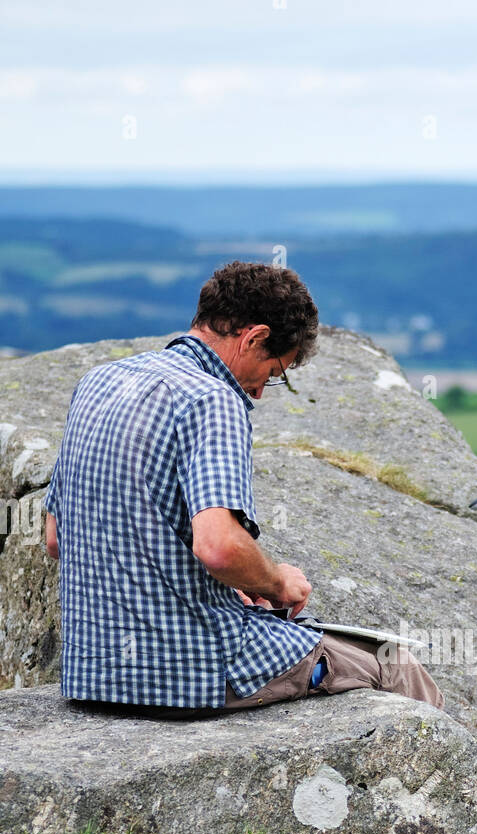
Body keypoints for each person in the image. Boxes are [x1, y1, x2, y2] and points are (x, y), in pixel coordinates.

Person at [43, 260, 443, 718]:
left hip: (92, 674)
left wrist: (213, 587)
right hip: (187, 672)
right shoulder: (213, 399)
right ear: (253, 337)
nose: (258, 392)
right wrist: (276, 583)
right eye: (273, 372)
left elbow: (57, 539)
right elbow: (218, 549)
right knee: (396, 665)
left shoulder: (96, 383)